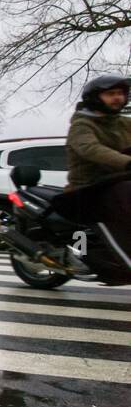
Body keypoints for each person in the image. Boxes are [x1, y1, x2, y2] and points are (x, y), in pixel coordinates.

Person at [63, 74, 131, 277]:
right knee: (89, 220)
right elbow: (91, 149)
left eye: (120, 93)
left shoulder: (124, 123)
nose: (117, 98)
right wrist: (127, 161)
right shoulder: (82, 125)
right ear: (95, 97)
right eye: (111, 94)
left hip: (117, 182)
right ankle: (79, 255)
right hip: (88, 187)